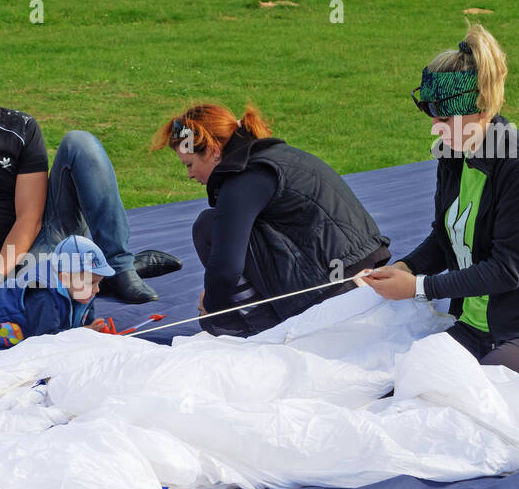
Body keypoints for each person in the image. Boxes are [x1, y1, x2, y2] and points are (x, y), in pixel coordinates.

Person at [360, 25, 519, 420]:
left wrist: (417, 287)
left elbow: (507, 271)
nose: (435, 127)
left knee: (460, 410)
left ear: (481, 112)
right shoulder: (452, 152)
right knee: (402, 398)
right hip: (477, 326)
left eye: (444, 118)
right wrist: (406, 267)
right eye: (432, 116)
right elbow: (443, 236)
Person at [0, 54, 181, 304]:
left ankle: (120, 265)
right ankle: (95, 272)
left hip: (45, 232)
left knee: (81, 142)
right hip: (1, 258)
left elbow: (30, 218)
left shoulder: (22, 130)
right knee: (40, 293)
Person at [150, 102, 391, 336]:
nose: (190, 175)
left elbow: (225, 268)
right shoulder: (273, 157)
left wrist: (211, 308)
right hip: (360, 275)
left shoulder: (243, 178)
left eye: (190, 164)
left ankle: (259, 330)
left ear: (213, 152)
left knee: (208, 227)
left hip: (334, 289)